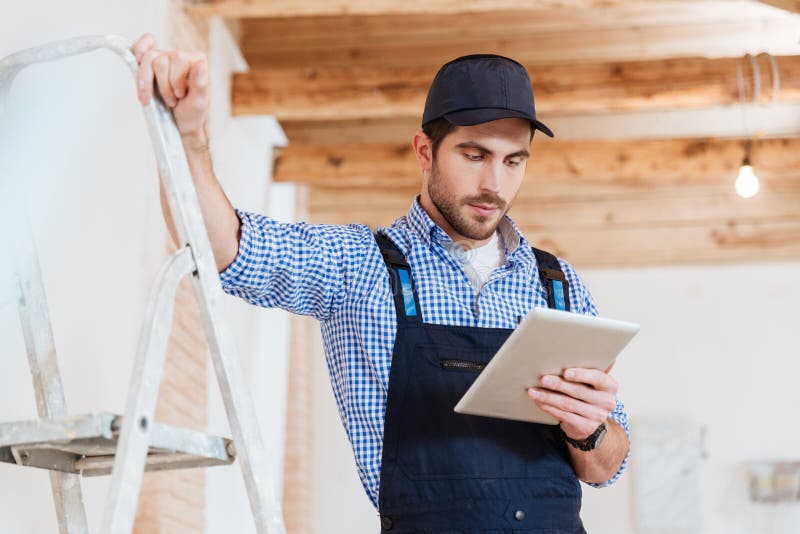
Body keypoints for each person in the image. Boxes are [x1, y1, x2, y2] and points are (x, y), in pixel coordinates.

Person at [133, 33, 630, 533]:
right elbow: (221, 246)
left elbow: (607, 466)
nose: (494, 185)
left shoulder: (557, 286)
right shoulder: (359, 266)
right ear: (424, 151)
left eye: (513, 161)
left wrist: (588, 430)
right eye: (474, 155)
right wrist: (188, 142)